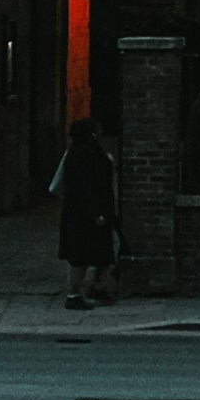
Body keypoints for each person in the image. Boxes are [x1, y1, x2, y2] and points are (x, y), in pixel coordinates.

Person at [52, 111, 122, 311]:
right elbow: (86, 187)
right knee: (80, 256)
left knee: (102, 253)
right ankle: (74, 294)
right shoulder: (85, 153)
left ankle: (97, 287)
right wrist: (96, 212)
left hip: (86, 213)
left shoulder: (80, 151)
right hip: (86, 215)